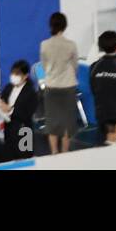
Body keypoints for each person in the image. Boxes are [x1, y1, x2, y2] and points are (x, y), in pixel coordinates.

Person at [39, 11, 79, 154]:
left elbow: (43, 66)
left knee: (52, 122)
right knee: (67, 122)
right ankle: (65, 152)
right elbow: (75, 66)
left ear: (51, 25)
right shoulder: (71, 45)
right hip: (68, 86)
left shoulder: (44, 45)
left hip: (51, 86)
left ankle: (54, 153)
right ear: (65, 25)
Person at [0, 60, 38, 160]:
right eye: (12, 73)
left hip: (24, 131)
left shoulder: (31, 92)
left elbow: (28, 114)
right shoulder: (8, 87)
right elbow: (2, 100)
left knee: (25, 159)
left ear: (25, 76)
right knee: (9, 158)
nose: (14, 76)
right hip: (8, 129)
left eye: (17, 73)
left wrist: (10, 110)